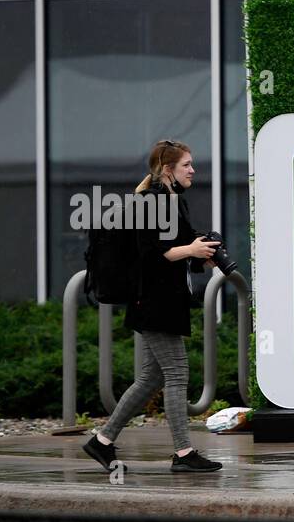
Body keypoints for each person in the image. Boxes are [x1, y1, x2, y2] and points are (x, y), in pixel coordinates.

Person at [81, 139, 224, 473]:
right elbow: (152, 256)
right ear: (167, 169)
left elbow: (180, 250)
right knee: (176, 373)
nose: (193, 170)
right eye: (186, 164)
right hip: (153, 302)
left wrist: (205, 254)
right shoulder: (150, 203)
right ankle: (184, 453)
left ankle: (101, 442)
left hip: (164, 300)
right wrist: (190, 251)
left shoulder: (173, 202)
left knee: (149, 378)